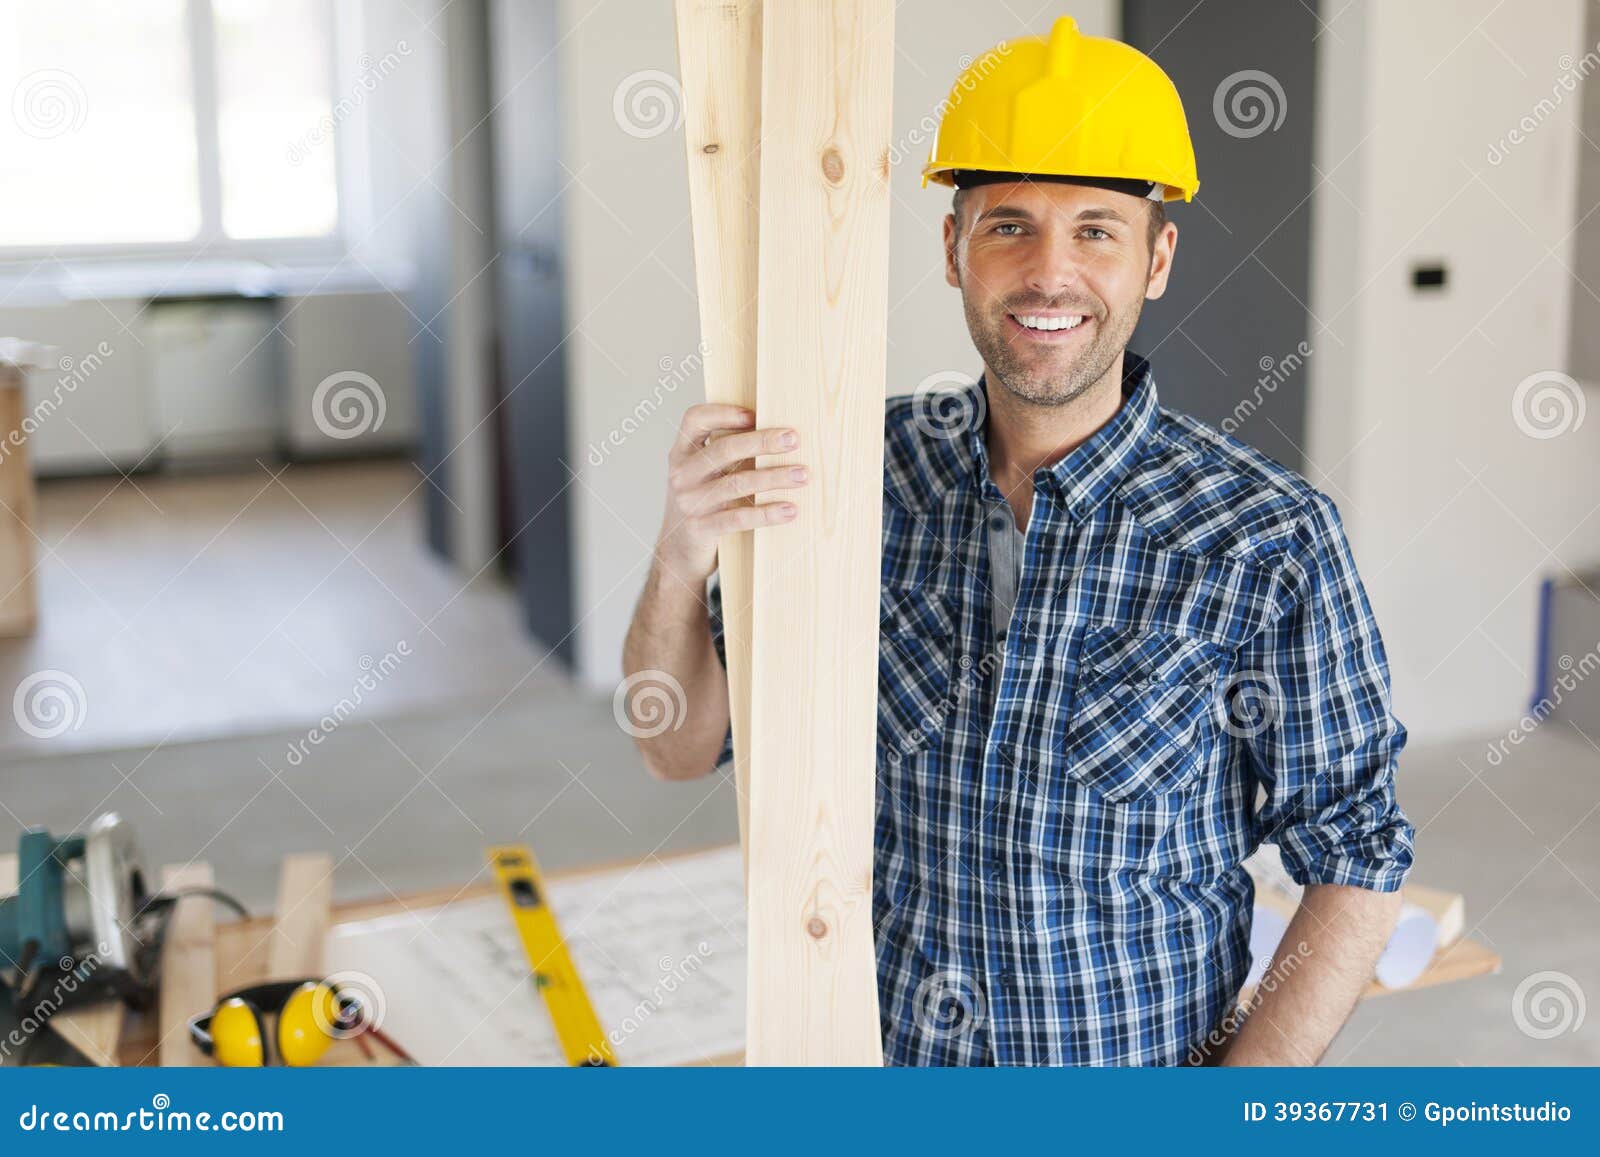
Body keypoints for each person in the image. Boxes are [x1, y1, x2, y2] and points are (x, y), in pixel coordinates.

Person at [623, 15, 1411, 1066]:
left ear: (1156, 258)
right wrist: (683, 549)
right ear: (952, 249)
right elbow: (676, 746)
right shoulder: (852, 474)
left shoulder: (1267, 540)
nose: (1049, 273)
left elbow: (1355, 854)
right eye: (1008, 226)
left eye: (1095, 229)